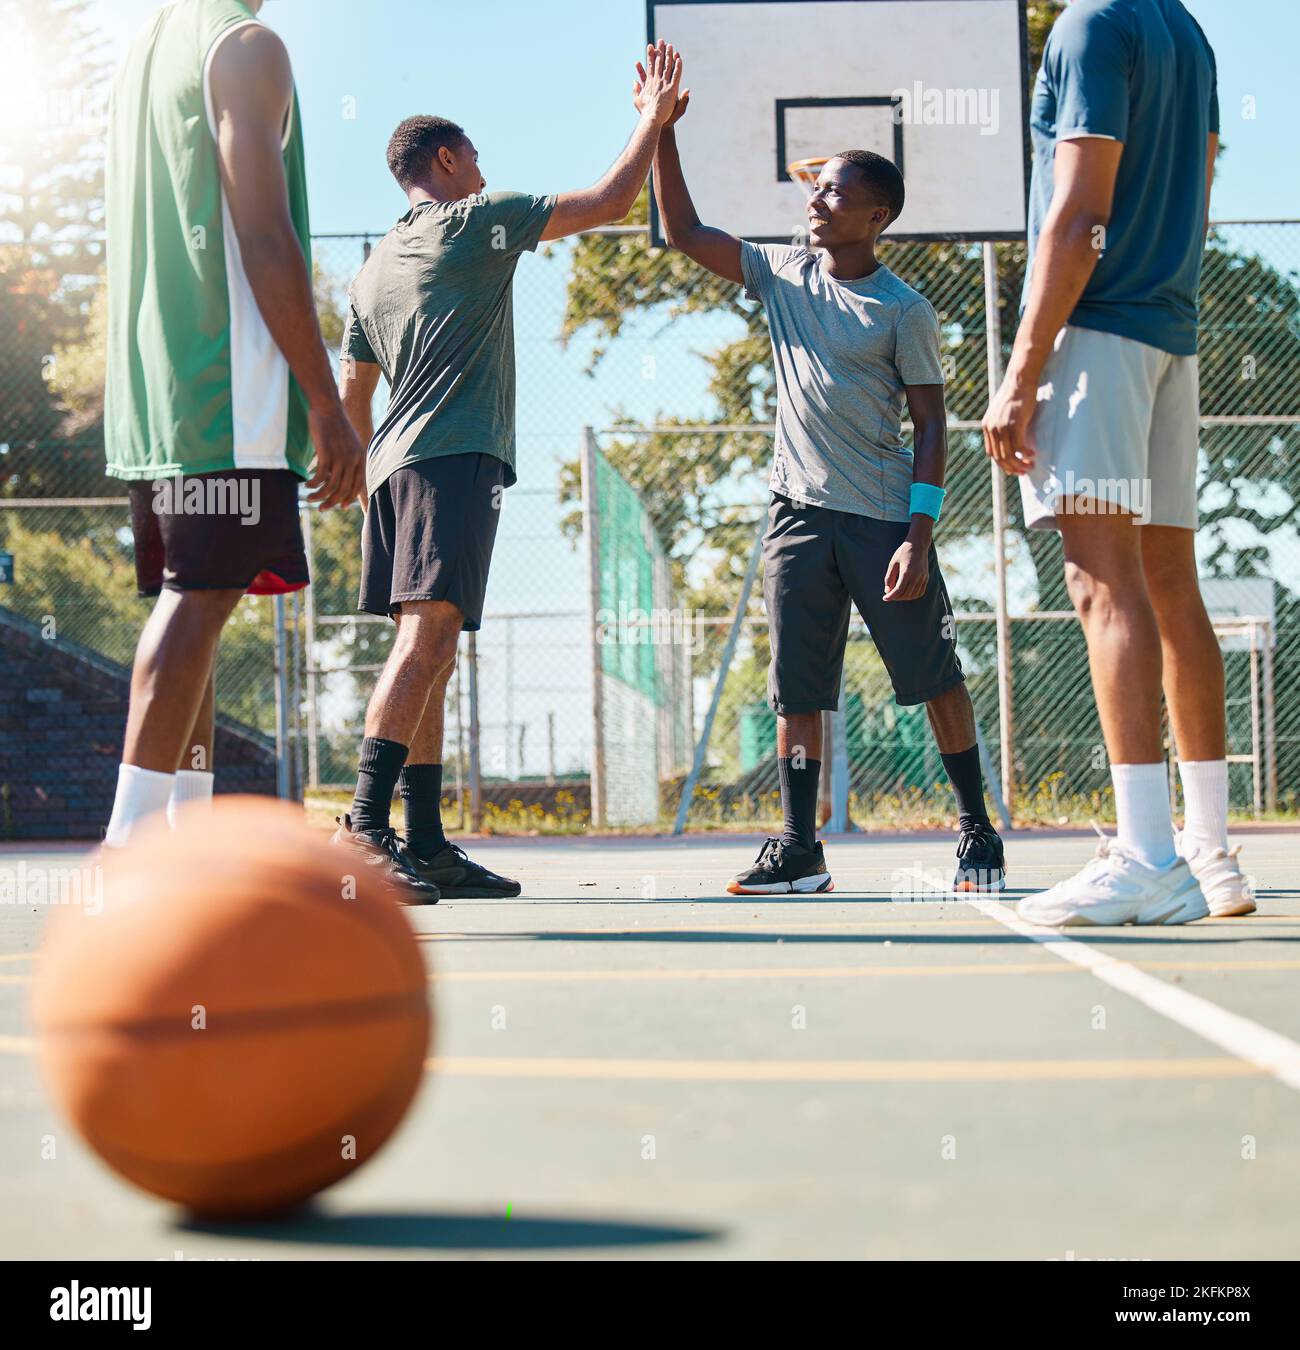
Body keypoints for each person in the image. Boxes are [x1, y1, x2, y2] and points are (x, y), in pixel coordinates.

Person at [331, 44, 687, 901]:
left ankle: (424, 843)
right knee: (428, 642)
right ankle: (365, 830)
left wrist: (355, 470)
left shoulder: (372, 269)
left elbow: (353, 395)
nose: (484, 168)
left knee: (435, 647)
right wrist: (654, 118)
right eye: (476, 155)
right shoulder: (473, 220)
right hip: (450, 457)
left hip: (395, 467)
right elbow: (609, 202)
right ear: (447, 162)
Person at [646, 50, 1006, 896]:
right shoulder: (782, 272)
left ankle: (977, 829)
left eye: (837, 190)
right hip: (796, 516)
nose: (816, 198)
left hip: (884, 520)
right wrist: (661, 133)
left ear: (875, 215)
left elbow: (930, 424)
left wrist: (920, 536)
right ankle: (800, 846)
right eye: (816, 189)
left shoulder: (903, 310)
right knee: (798, 689)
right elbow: (689, 232)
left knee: (935, 679)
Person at [983, 0, 1249, 924]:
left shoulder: (1092, 26)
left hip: (1097, 333)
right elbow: (1202, 183)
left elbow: (1081, 210)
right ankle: (1212, 855)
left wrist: (1022, 370)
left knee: (1105, 587)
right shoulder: (1186, 31)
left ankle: (1145, 857)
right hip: (1170, 333)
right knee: (1171, 583)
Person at [101, 0, 364, 849]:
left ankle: (184, 838)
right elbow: (259, 227)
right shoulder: (246, 46)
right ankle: (129, 854)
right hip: (228, 381)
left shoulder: (146, 49)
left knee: (202, 604)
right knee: (200, 596)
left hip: (159, 385)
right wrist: (325, 401)